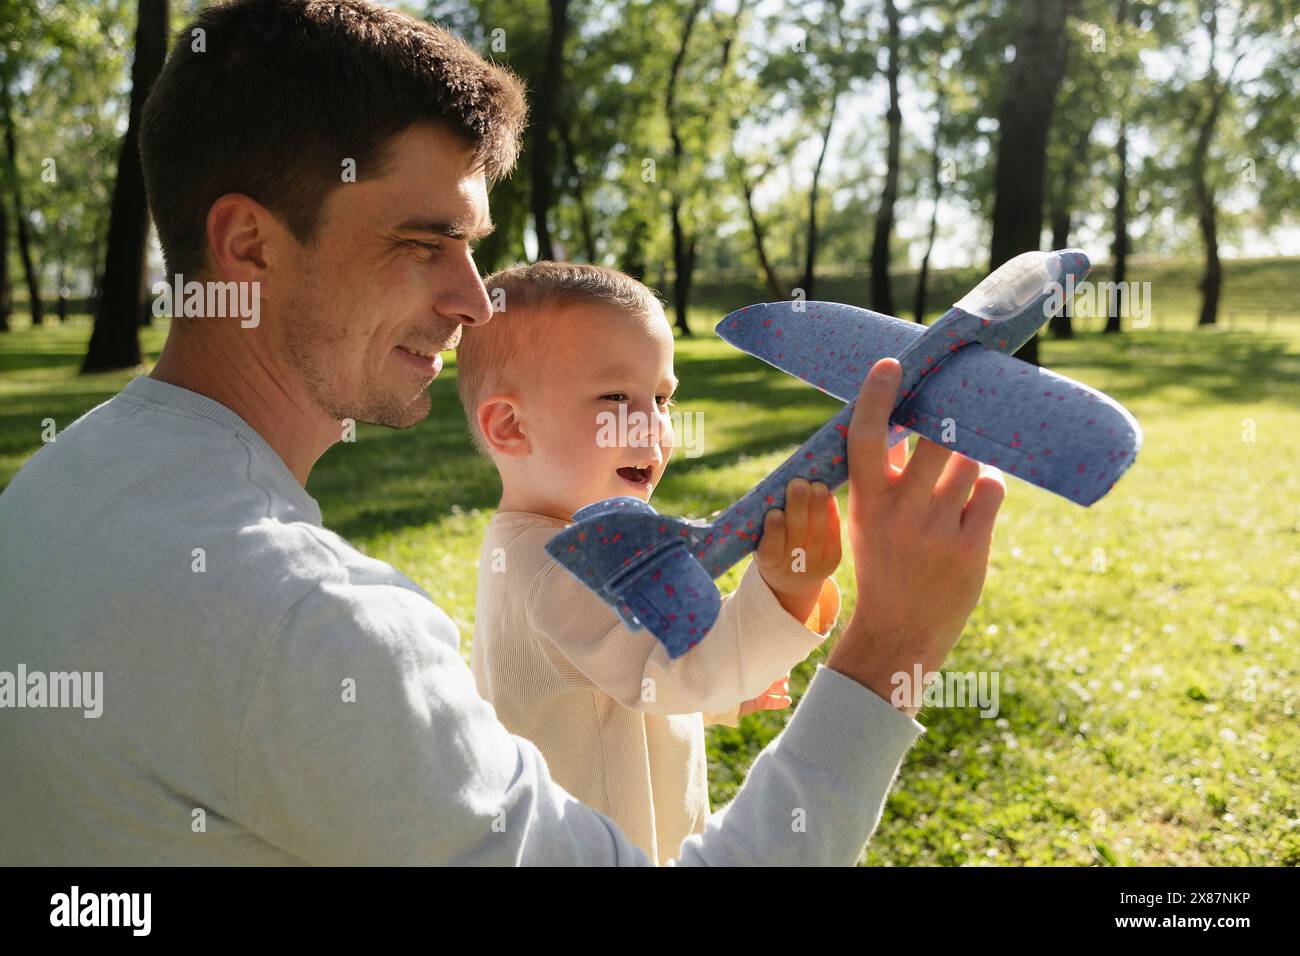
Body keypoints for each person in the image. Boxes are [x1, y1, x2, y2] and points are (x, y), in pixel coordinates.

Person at [0, 0, 1005, 865]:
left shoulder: (56, 488)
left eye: (472, 248)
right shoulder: (309, 622)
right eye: (423, 242)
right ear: (248, 244)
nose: (474, 301)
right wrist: (895, 643)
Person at [459, 261, 845, 864]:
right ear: (510, 426)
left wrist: (726, 692)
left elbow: (631, 665)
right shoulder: (559, 564)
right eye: (615, 397)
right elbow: (671, 668)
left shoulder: (561, 541)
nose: (654, 425)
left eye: (662, 397)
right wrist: (783, 596)